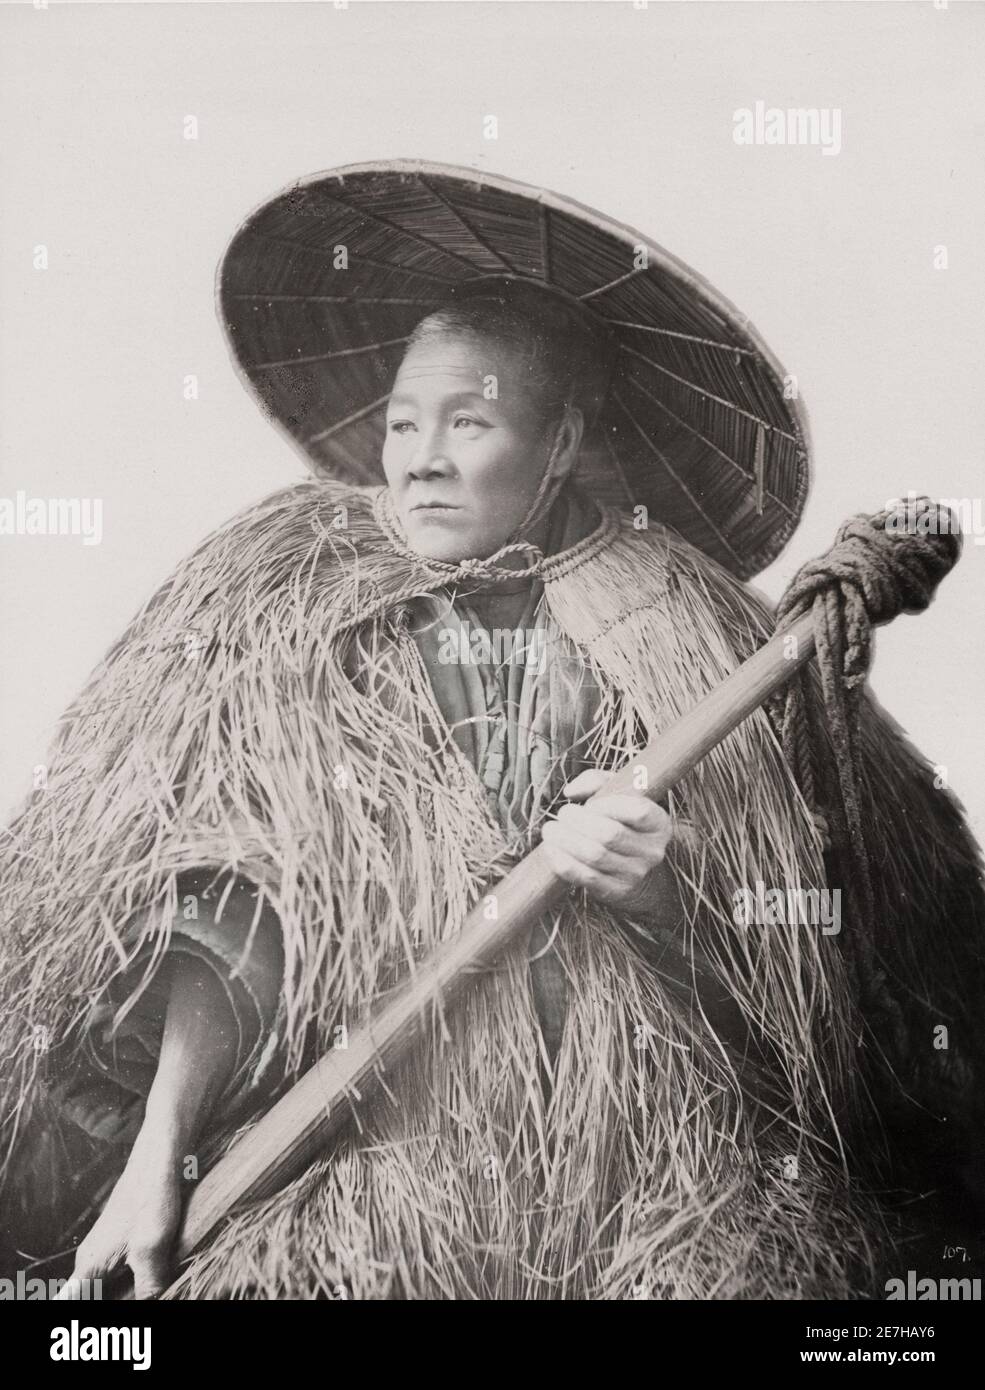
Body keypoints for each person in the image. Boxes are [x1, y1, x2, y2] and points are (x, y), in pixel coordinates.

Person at [2, 169, 982, 1300]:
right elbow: (235, 909)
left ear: (559, 442)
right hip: (364, 1142)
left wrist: (662, 891)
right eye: (402, 423)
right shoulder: (296, 603)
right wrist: (155, 1164)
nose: (420, 458)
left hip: (645, 1153)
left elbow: (830, 1005)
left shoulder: (687, 633)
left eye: (468, 422)